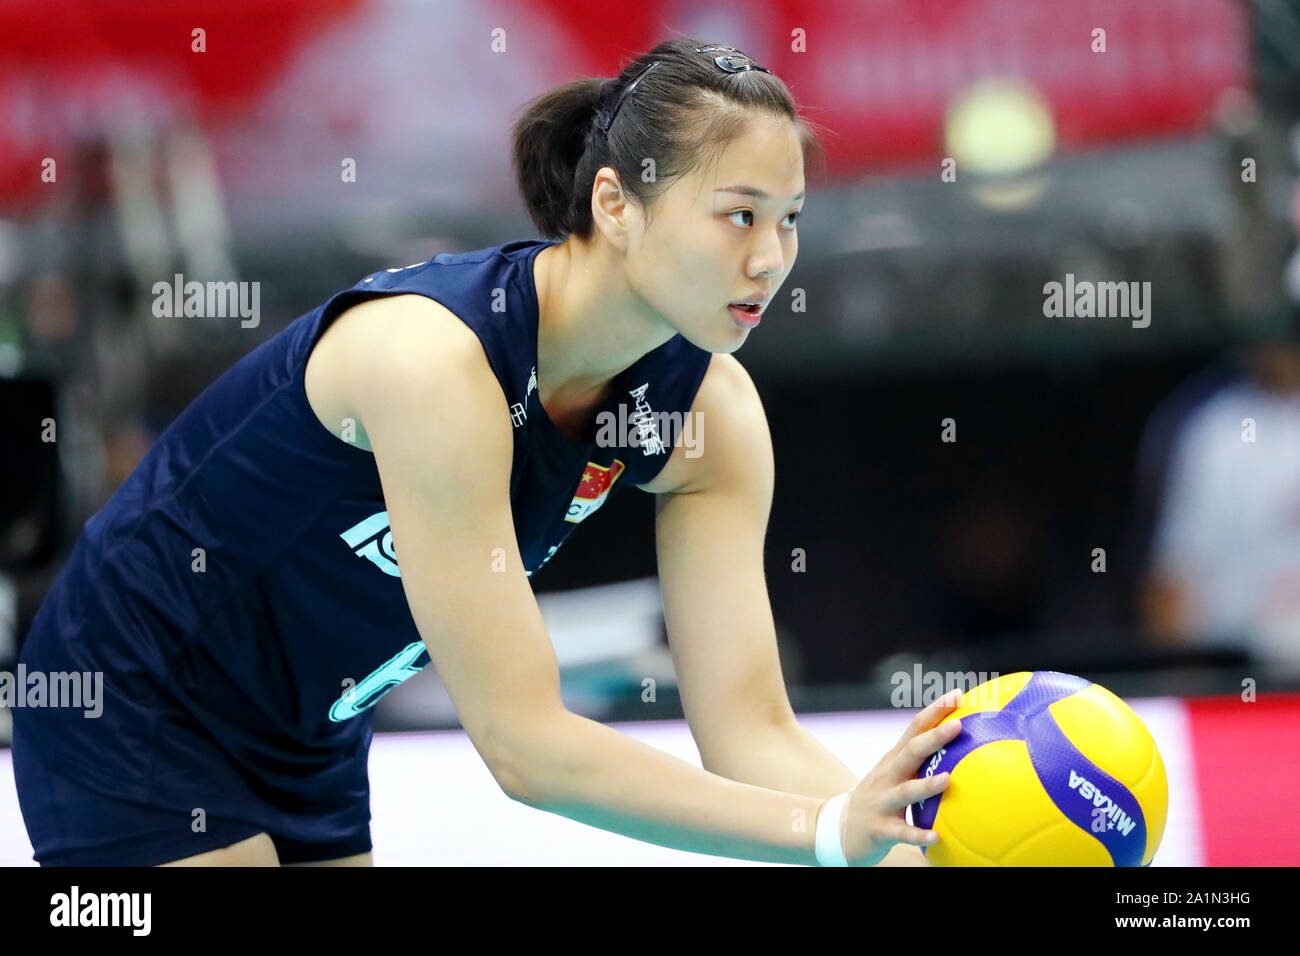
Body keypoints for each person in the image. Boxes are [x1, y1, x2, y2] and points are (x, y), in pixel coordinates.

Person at [11, 37, 958, 867]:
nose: (771, 258)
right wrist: (828, 837)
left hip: (309, 728)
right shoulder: (434, 361)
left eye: (789, 218)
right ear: (616, 203)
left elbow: (750, 728)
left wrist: (905, 843)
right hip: (131, 690)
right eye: (739, 213)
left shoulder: (711, 419)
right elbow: (525, 750)